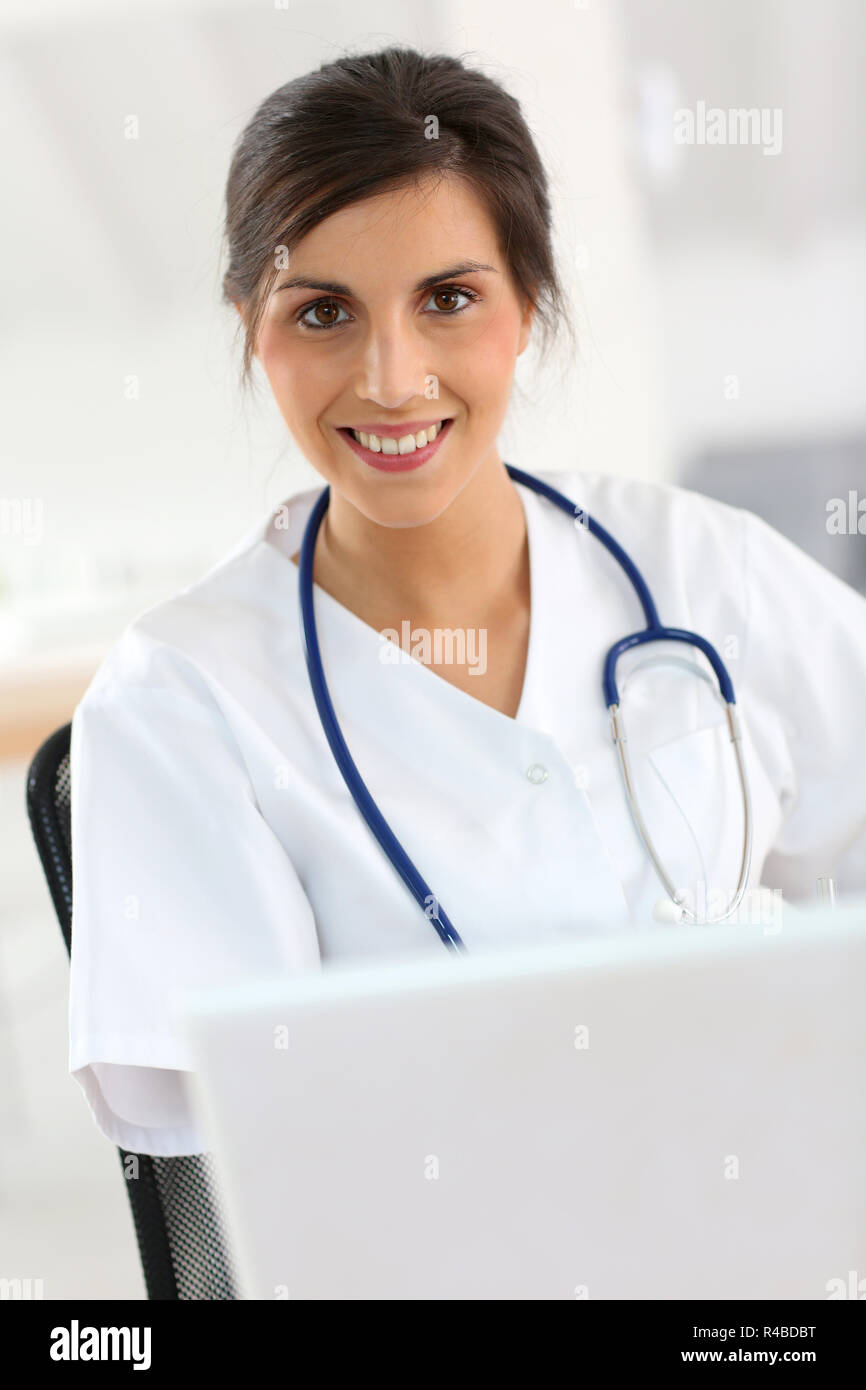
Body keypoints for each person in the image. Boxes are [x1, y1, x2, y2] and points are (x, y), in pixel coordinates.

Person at [68, 46, 866, 1157]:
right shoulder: (180, 700)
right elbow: (260, 1146)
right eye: (321, 313)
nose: (392, 377)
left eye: (447, 298)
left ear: (526, 303)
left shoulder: (697, 566)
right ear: (252, 322)